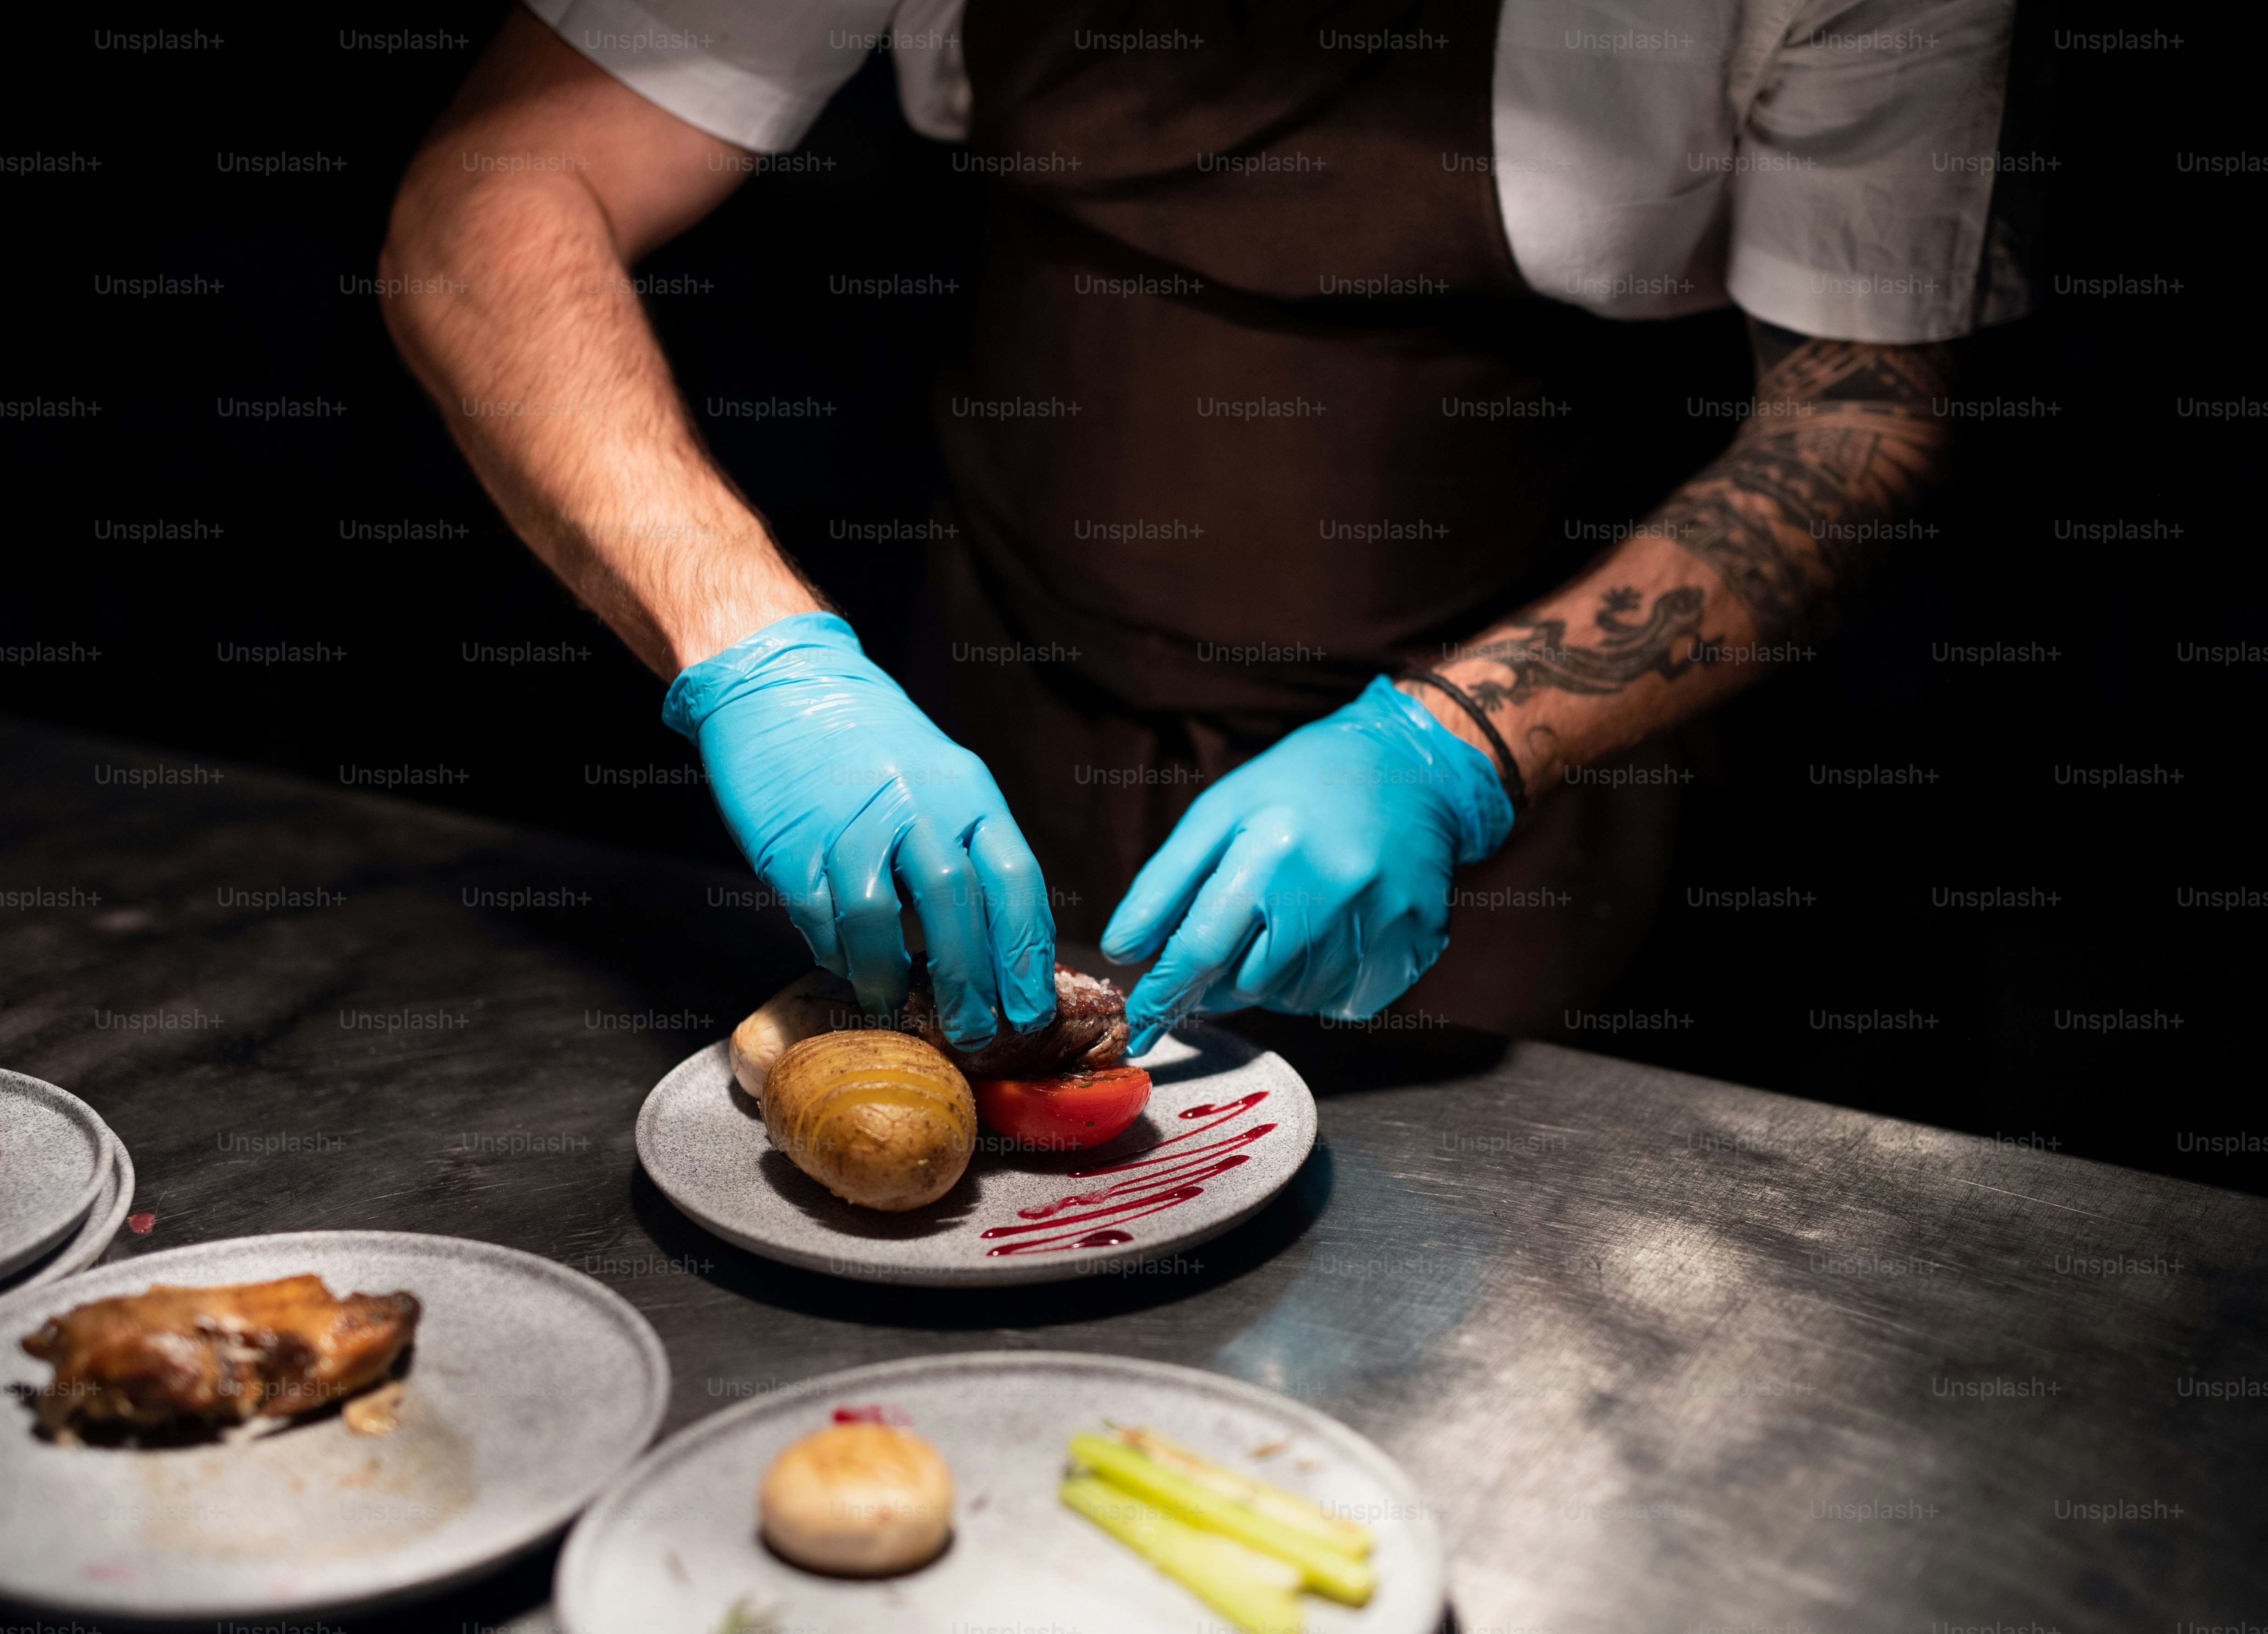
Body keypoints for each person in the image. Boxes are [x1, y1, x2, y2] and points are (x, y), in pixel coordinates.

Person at [381, 0, 2036, 1057]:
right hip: (1008, 688)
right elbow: (498, 191)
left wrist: (1456, 750)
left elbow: (1865, 411)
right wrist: (763, 659)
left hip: (1522, 800)